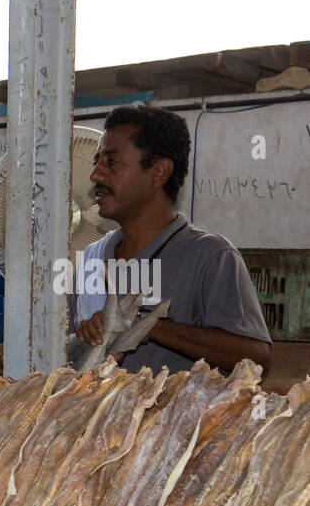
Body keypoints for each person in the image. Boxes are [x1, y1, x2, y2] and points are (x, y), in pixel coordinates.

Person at [74, 104, 271, 374]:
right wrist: (86, 335)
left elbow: (256, 357)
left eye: (111, 161)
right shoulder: (91, 256)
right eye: (97, 161)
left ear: (159, 172)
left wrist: (149, 325)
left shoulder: (211, 256)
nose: (95, 174)